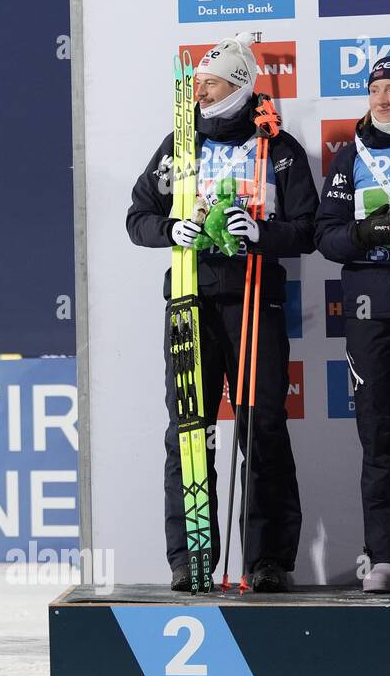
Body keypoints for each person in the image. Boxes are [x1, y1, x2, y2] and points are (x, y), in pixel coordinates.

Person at [126, 34, 319, 592]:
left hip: (256, 300)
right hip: (191, 302)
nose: (198, 92)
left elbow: (308, 231)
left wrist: (263, 233)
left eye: (209, 83)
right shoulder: (178, 146)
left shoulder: (277, 148)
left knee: (263, 429)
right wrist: (170, 230)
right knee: (188, 433)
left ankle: (268, 561)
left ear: (239, 87)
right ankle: (191, 557)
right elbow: (138, 216)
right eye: (195, 83)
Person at [315, 51, 390, 592]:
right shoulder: (351, 157)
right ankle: (386, 556)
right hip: (369, 314)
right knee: (377, 442)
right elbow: (324, 236)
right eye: (374, 89)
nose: (381, 98)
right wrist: (370, 233)